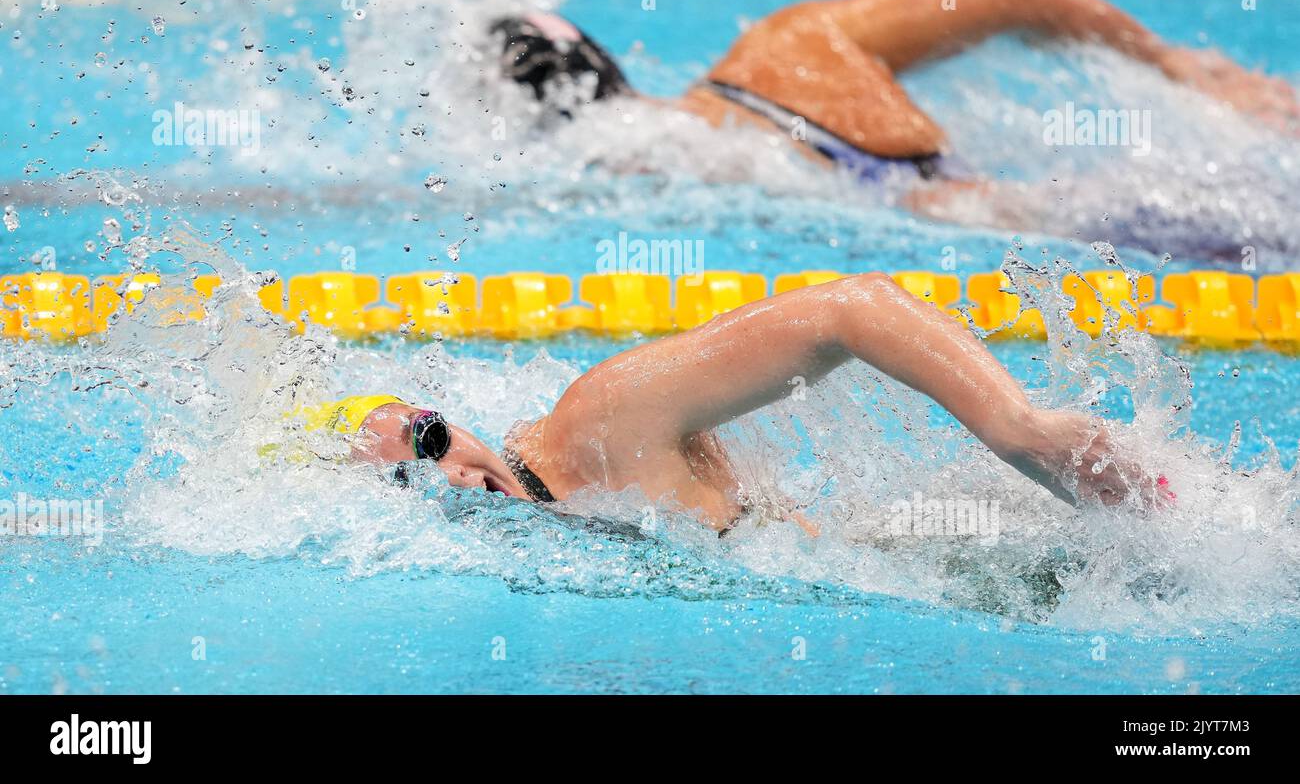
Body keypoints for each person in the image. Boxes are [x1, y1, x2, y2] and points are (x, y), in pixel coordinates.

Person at [293, 273, 1172, 533]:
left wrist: (1019, 426)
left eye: (433, 435)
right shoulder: (544, 529)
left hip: (1019, 544)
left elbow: (847, 308)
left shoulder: (600, 422)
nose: (450, 471)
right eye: (416, 477)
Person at [491, 0, 1297, 185]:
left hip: (1051, 236)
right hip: (1162, 205)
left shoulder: (621, 174)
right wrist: (1184, 71)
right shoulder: (784, 49)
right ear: (606, 60)